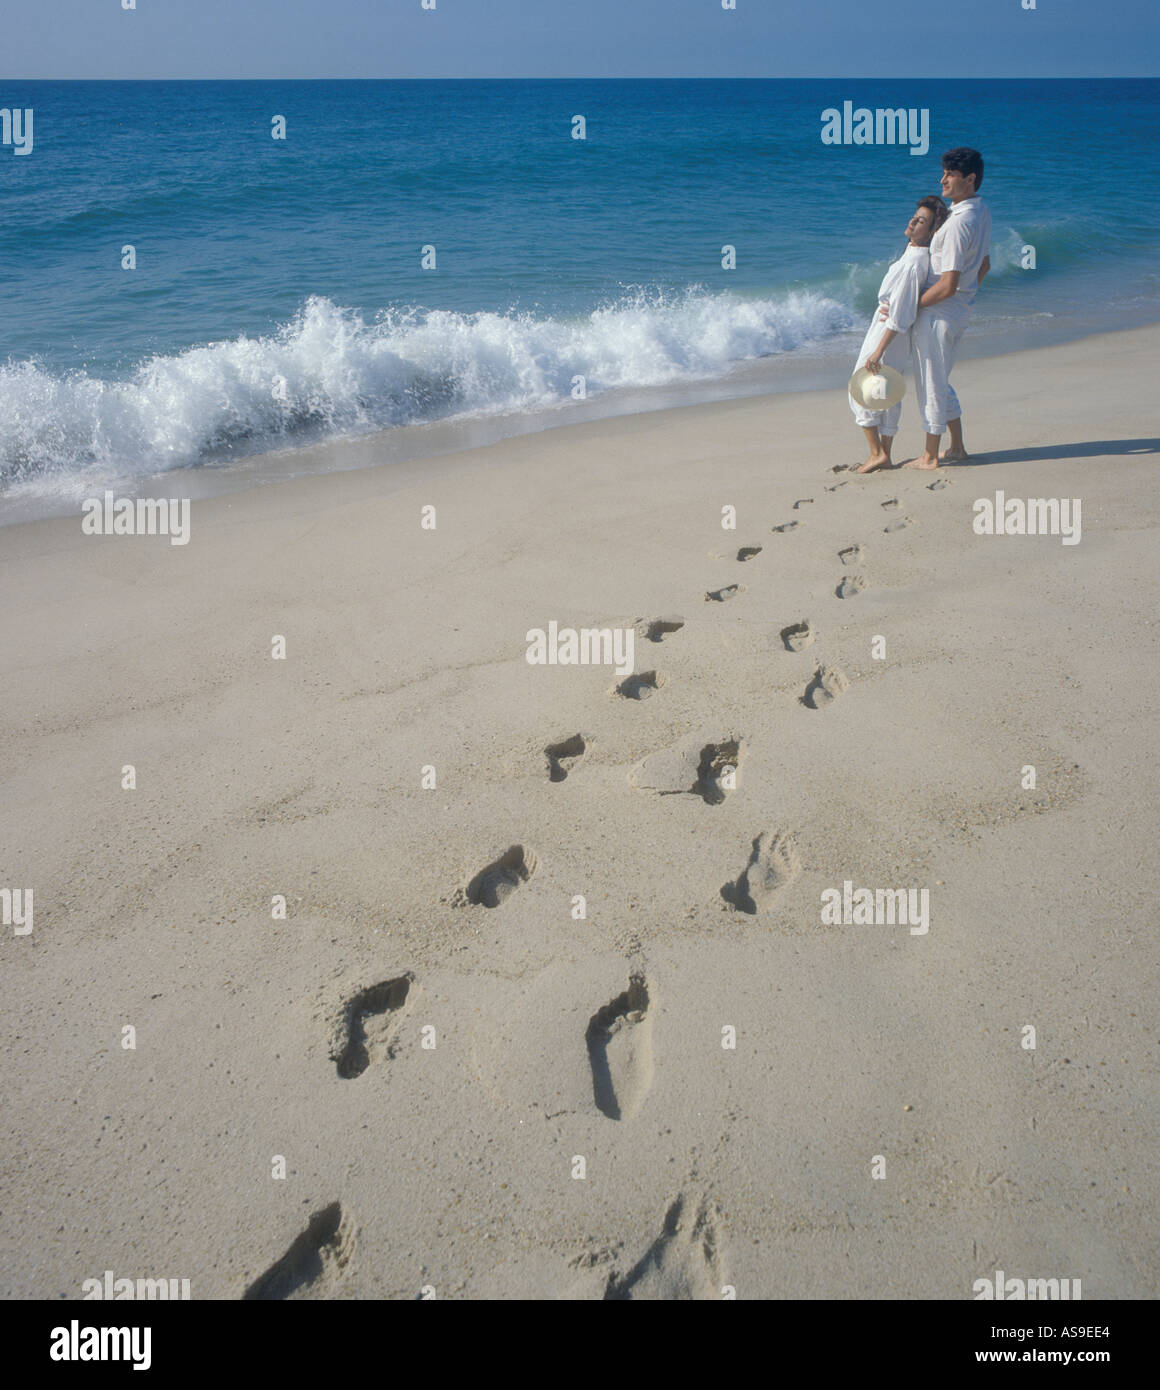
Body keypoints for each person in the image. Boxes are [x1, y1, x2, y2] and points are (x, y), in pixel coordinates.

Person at [905, 147, 992, 469]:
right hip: (955, 311)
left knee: (931, 383)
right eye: (943, 173)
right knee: (939, 379)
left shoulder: (957, 224)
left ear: (970, 179)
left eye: (950, 175)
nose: (942, 180)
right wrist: (964, 300)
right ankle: (956, 448)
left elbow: (948, 284)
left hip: (940, 313)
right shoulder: (980, 212)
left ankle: (930, 456)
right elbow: (984, 265)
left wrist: (908, 308)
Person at [853, 196, 948, 474]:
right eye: (914, 217)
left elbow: (900, 315)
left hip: (888, 332)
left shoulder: (913, 263)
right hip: (893, 332)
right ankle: (885, 454)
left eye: (921, 221)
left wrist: (878, 350)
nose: (913, 222)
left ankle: (876, 453)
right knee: (886, 389)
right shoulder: (914, 255)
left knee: (863, 387)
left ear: (932, 232)